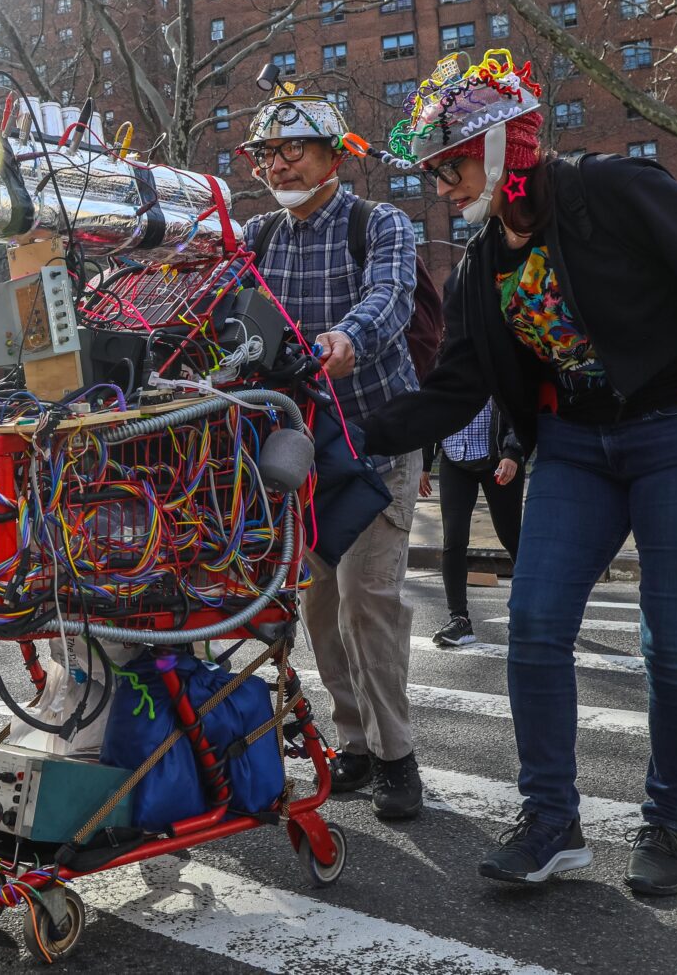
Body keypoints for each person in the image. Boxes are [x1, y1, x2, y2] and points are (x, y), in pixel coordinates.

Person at [361, 49, 677, 895]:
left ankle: (671, 821)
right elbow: (453, 388)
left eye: (447, 167)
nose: (441, 187)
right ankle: (551, 821)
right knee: (533, 619)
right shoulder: (483, 265)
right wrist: (350, 433)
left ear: (497, 145)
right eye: (435, 174)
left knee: (673, 640)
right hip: (575, 445)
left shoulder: (613, 189)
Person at [236, 85, 426, 820]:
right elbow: (222, 310)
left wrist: (347, 336)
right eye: (265, 154)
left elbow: (390, 296)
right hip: (296, 450)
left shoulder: (378, 223)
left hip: (375, 441)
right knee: (317, 607)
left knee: (367, 600)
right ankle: (353, 742)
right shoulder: (255, 238)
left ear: (334, 155)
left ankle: (397, 753)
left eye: (292, 149)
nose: (276, 165)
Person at [425, 396, 524, 647]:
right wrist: (425, 462)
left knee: (511, 535)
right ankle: (459, 620)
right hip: (454, 457)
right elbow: (431, 404)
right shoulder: (446, 359)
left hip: (499, 457)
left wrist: (512, 451)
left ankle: (534, 610)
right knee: (454, 539)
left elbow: (517, 402)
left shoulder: (498, 359)